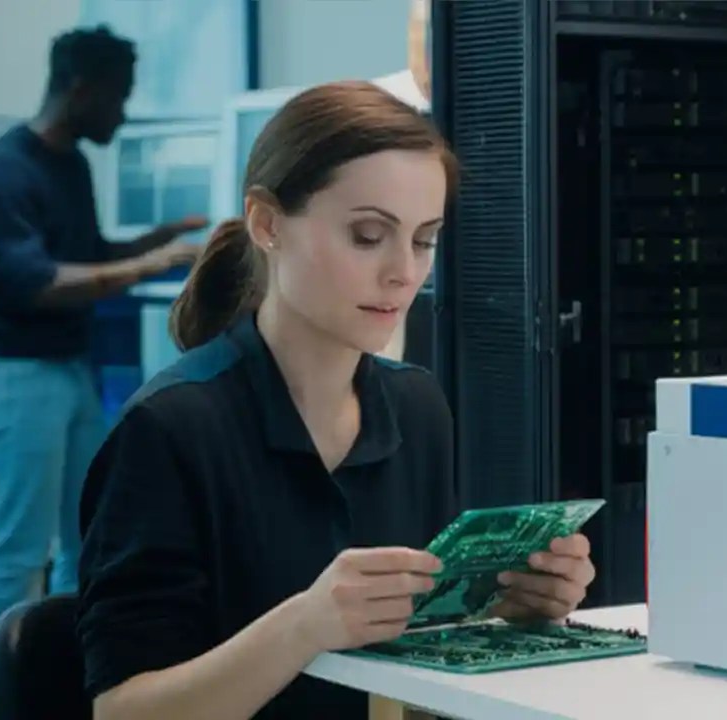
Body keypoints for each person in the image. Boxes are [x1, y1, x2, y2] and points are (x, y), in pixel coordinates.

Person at [75, 80, 597, 719]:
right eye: (368, 236)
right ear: (267, 224)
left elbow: (419, 640)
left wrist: (508, 602)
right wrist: (305, 626)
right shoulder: (167, 432)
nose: (403, 271)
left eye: (424, 239)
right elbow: (123, 711)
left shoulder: (416, 407)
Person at [0, 25, 203, 655]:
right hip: (20, 374)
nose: (122, 114)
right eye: (118, 97)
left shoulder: (67, 165)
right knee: (20, 547)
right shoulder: (6, 172)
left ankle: (65, 681)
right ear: (80, 88)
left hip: (70, 370)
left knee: (84, 539)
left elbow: (88, 257)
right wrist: (152, 264)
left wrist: (159, 239)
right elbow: (39, 281)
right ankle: (2, 694)